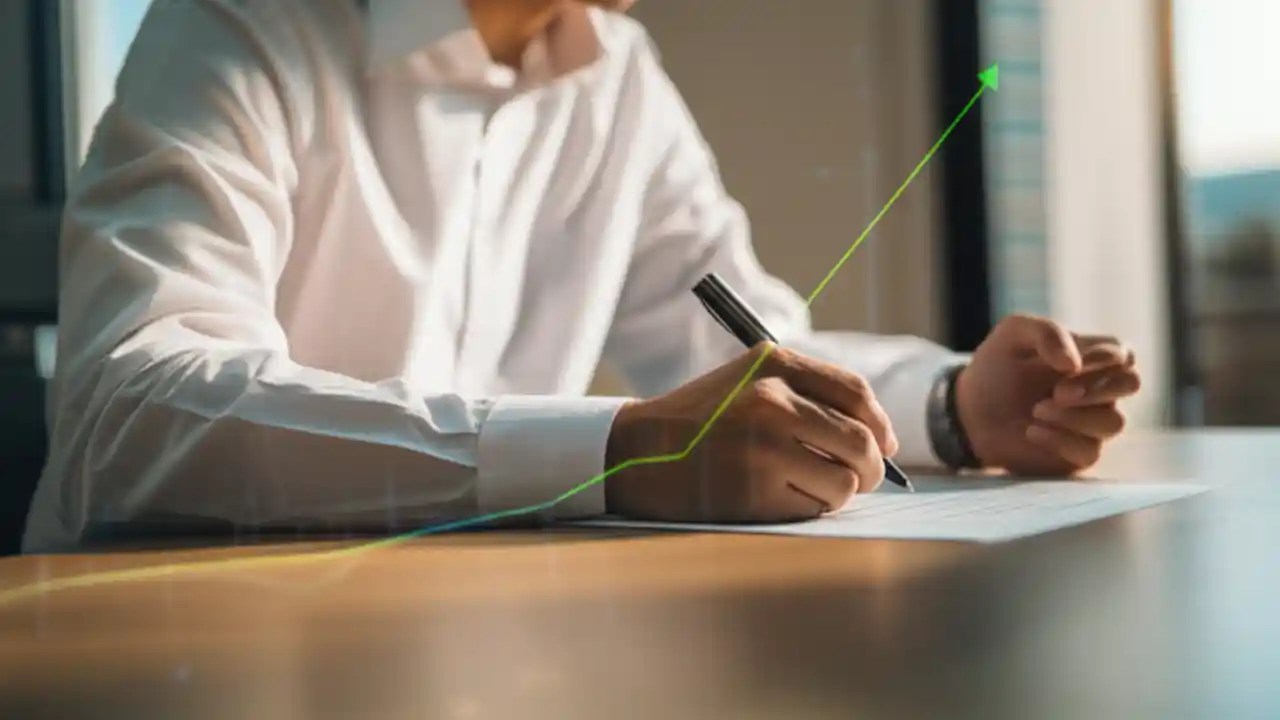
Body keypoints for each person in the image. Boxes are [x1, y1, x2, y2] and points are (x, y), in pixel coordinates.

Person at [23, 0, 1140, 551]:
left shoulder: (614, 75)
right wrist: (614, 450)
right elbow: (127, 408)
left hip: (473, 646)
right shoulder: (242, 24)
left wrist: (951, 407)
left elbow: (750, 353)